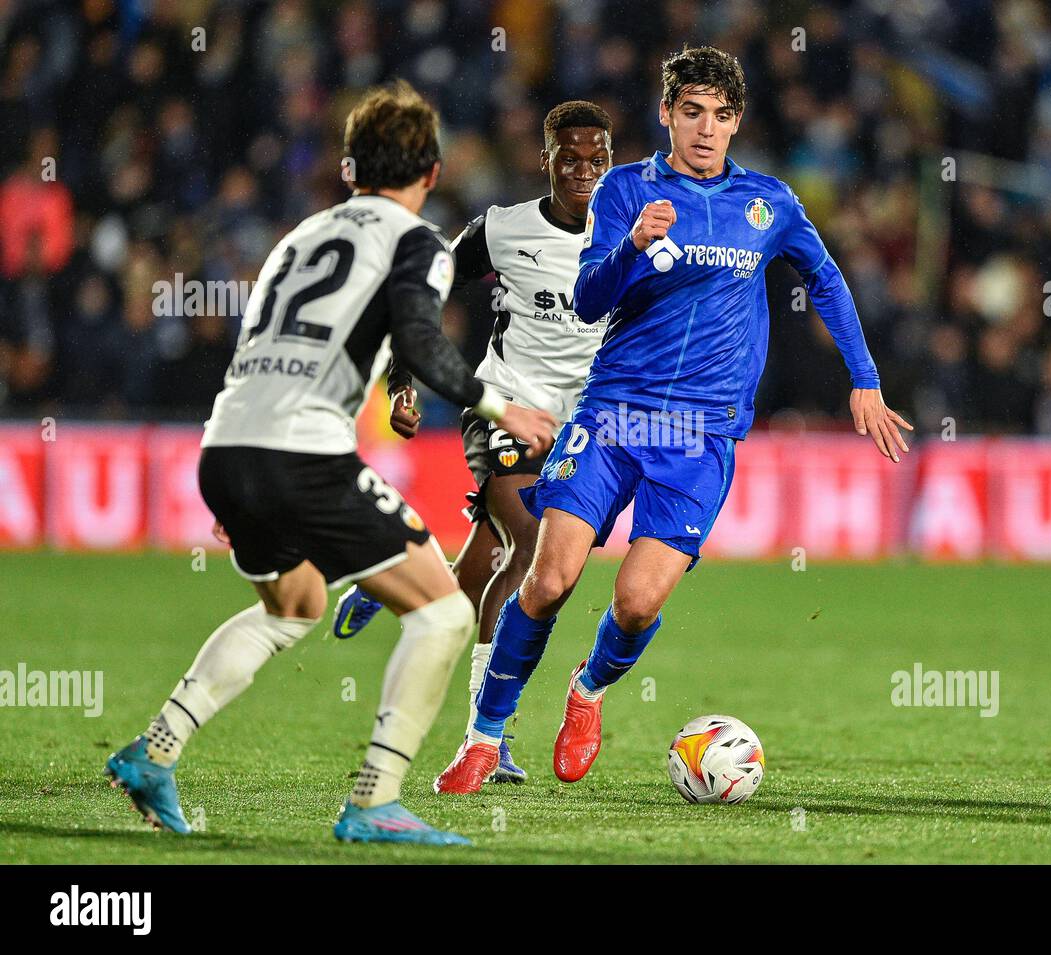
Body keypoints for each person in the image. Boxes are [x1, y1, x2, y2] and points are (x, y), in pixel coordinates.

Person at [435, 47, 912, 794]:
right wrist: (630, 247)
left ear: (736, 121)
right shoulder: (625, 190)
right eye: (691, 111)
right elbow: (591, 300)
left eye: (720, 115)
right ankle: (485, 738)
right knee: (550, 575)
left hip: (701, 435)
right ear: (666, 114)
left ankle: (587, 691)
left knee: (635, 601)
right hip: (614, 414)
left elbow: (824, 275)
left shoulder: (769, 203)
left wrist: (865, 379)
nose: (706, 129)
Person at [102, 80, 556, 843]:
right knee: (444, 610)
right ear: (433, 172)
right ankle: (375, 799)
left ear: (349, 169)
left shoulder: (299, 239)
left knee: (295, 605)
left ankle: (154, 753)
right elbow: (420, 340)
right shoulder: (414, 240)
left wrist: (241, 476)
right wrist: (500, 406)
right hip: (299, 451)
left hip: (231, 442)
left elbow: (271, 347)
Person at [330, 101, 615, 784]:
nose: (582, 168)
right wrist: (402, 382)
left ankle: (395, 578)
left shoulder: (631, 233)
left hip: (585, 426)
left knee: (484, 568)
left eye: (595, 156)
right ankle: (487, 737)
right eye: (567, 155)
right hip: (504, 406)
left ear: (610, 160)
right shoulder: (504, 229)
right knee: (528, 548)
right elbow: (425, 297)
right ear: (543, 158)